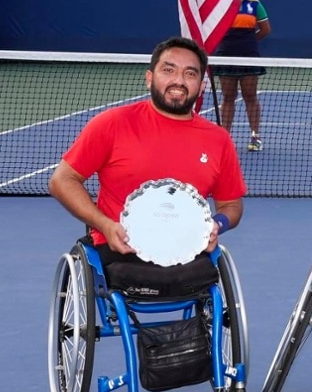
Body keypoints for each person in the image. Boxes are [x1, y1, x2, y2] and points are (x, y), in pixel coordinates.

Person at [47, 36, 246, 271]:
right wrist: (106, 225)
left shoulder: (218, 139)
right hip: (120, 251)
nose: (178, 81)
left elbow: (231, 204)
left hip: (189, 253)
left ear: (202, 86)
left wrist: (216, 224)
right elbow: (62, 180)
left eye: (190, 74)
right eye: (168, 70)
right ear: (149, 78)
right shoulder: (112, 124)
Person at [215, 0, 271, 151]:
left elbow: (265, 30)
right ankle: (225, 137)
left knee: (250, 96)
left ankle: (255, 137)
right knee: (228, 96)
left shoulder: (254, 5)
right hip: (226, 56)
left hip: (248, 56)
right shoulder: (220, 4)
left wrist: (248, 42)